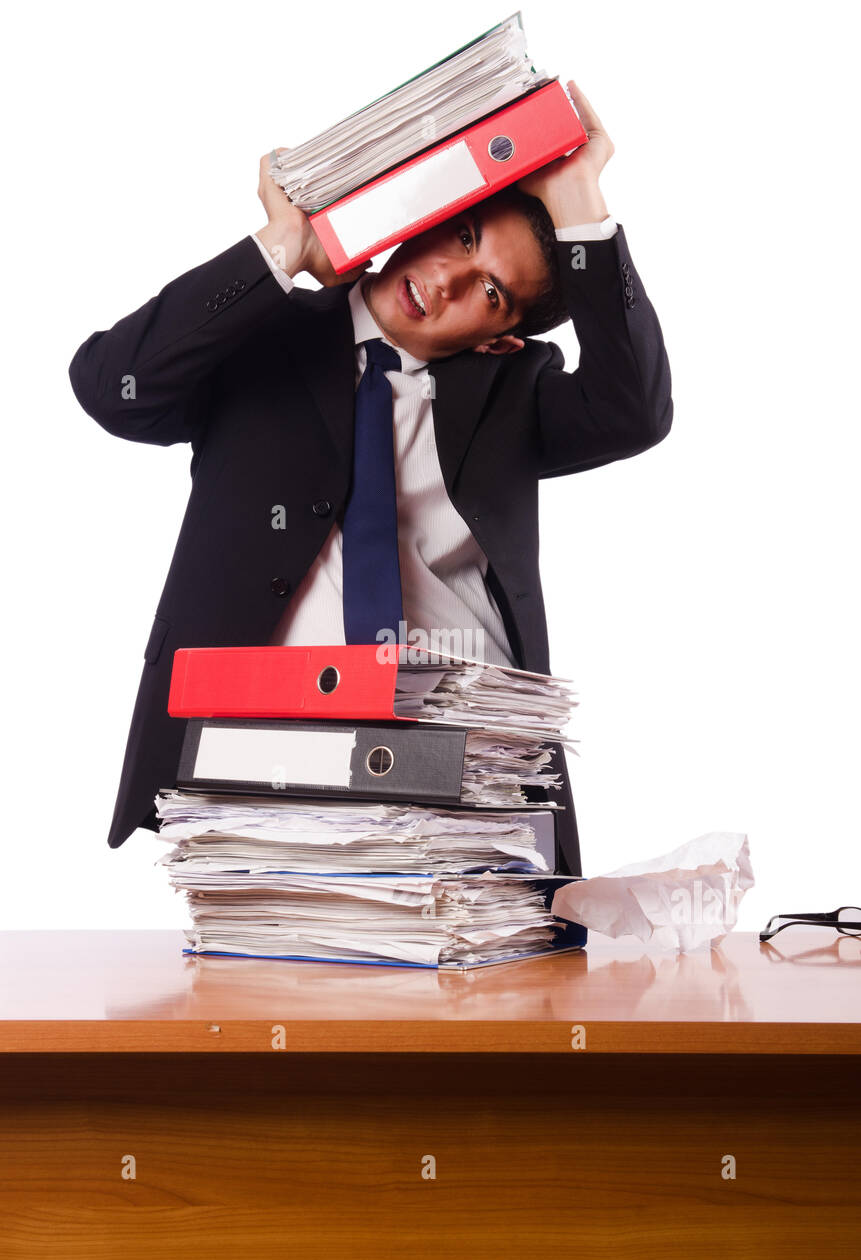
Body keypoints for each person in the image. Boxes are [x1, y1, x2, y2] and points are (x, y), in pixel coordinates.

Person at [69, 80, 672, 873]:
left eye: (491, 291)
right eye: (459, 237)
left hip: (463, 751)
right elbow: (114, 386)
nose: (450, 281)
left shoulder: (512, 390)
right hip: (264, 744)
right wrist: (281, 250)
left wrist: (579, 200)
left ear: (500, 339)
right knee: (273, 973)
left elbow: (633, 412)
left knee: (479, 986)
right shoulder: (260, 339)